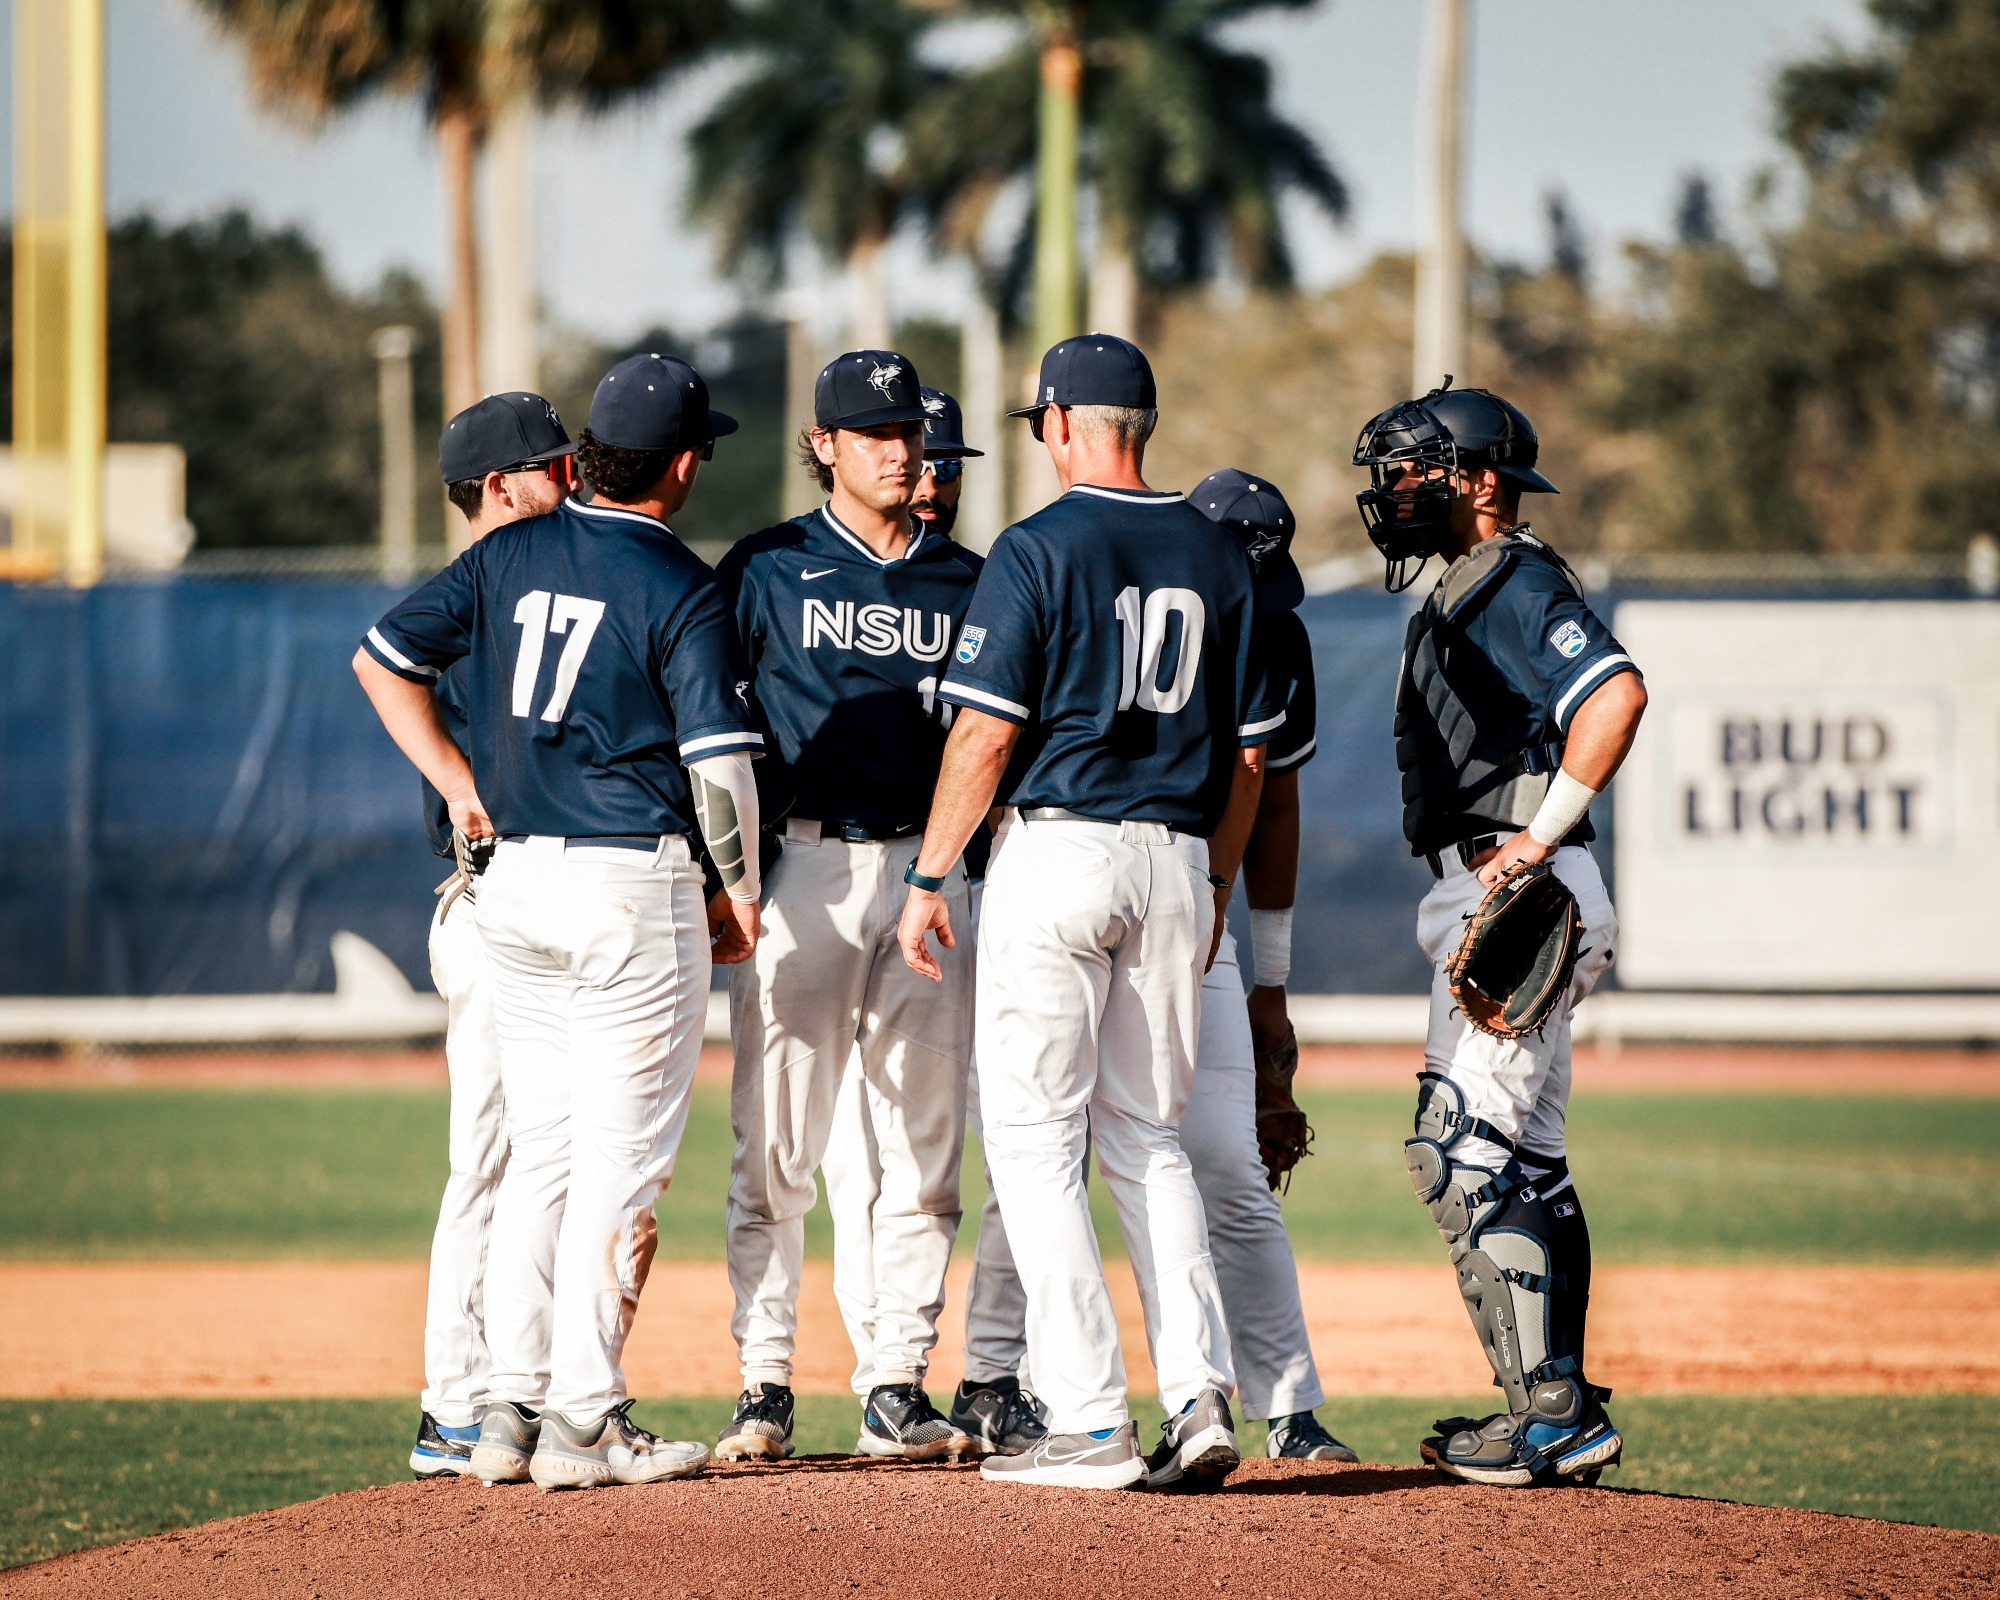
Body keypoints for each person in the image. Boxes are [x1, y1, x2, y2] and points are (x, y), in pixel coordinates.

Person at [354, 352, 765, 1492]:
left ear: (581, 459)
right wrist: (740, 888)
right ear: (680, 465)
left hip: (514, 883)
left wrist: (459, 783)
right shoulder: (678, 582)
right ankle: (586, 1418)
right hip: (628, 885)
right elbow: (721, 764)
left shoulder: (503, 555)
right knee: (618, 1165)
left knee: (538, 1156)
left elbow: (382, 658)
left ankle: (505, 1412)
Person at [898, 333, 1283, 1492]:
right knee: (1147, 1138)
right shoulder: (1222, 556)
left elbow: (985, 732)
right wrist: (1212, 887)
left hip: (1059, 850)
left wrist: (927, 876)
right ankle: (1197, 1398)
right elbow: (1253, 761)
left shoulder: (1035, 545)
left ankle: (1086, 1422)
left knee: (1030, 1141)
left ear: (1063, 422)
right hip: (1176, 855)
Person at [1351, 378, 1646, 1486]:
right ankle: (1549, 1399)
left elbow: (1612, 693)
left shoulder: (1512, 580)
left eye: (1417, 468)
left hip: (1517, 890)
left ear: (1479, 481)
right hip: (1517, 885)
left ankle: (1549, 1413)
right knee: (1525, 1157)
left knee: (1460, 1148)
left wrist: (1540, 841)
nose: (1395, 490)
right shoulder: (1470, 582)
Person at [711, 354, 984, 1464]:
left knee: (922, 1146)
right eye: (870, 430)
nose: (898, 446)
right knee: (774, 1142)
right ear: (821, 444)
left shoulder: (972, 579)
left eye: (907, 428)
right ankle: (763, 1383)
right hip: (801, 871)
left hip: (933, 871)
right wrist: (722, 878)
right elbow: (710, 733)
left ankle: (894, 1384)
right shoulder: (764, 567)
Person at [407, 392, 578, 1479]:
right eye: (549, 465)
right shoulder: (464, 597)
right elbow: (380, 668)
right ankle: (453, 1404)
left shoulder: (549, 585)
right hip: (489, 901)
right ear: (498, 486)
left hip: (556, 899)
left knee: (551, 1152)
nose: (567, 476)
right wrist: (460, 787)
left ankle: (528, 1387)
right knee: (491, 1155)